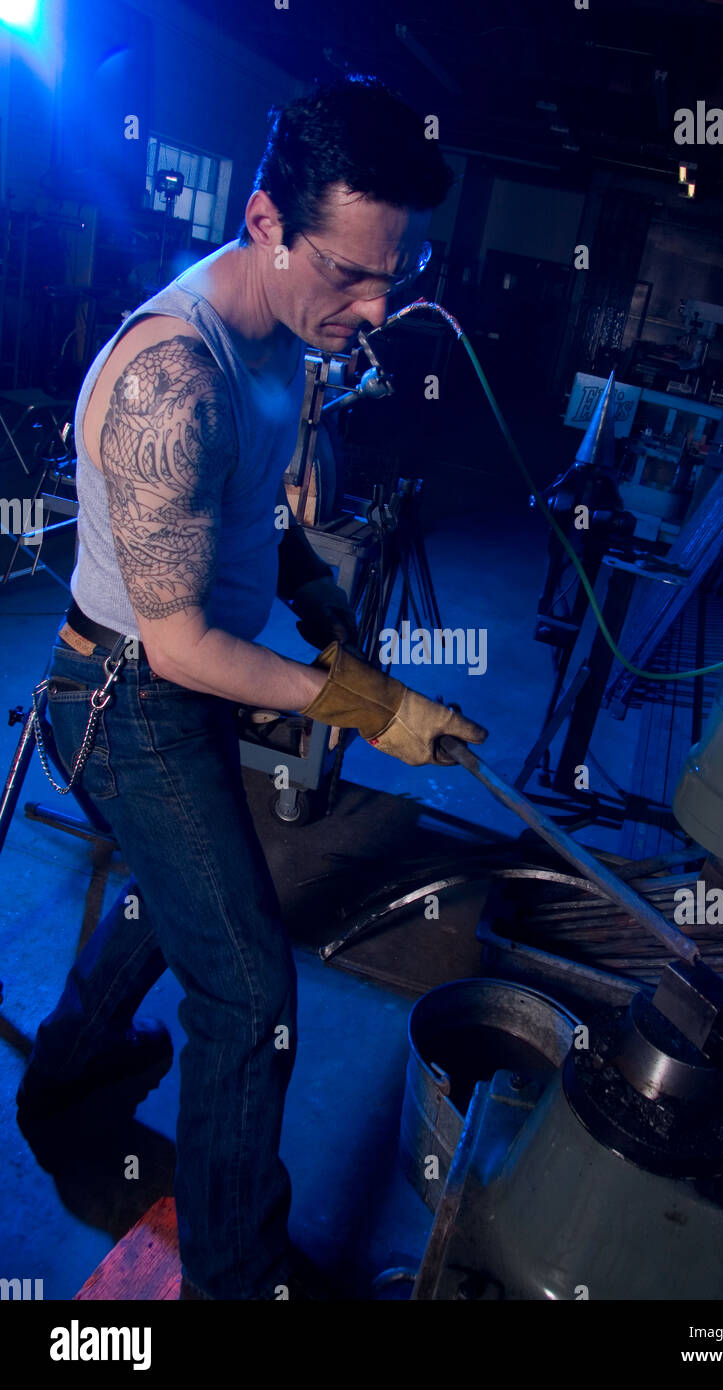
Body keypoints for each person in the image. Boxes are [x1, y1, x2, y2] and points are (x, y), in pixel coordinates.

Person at [16, 75, 486, 1301]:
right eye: (351, 274)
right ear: (267, 220)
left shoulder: (290, 337)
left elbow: (256, 510)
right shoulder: (175, 373)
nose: (376, 308)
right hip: (122, 703)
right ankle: (233, 1273)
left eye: (398, 273)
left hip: (173, 694)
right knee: (245, 986)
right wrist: (373, 711)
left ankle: (64, 1081)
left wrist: (327, 615)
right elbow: (178, 646)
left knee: (179, 901)